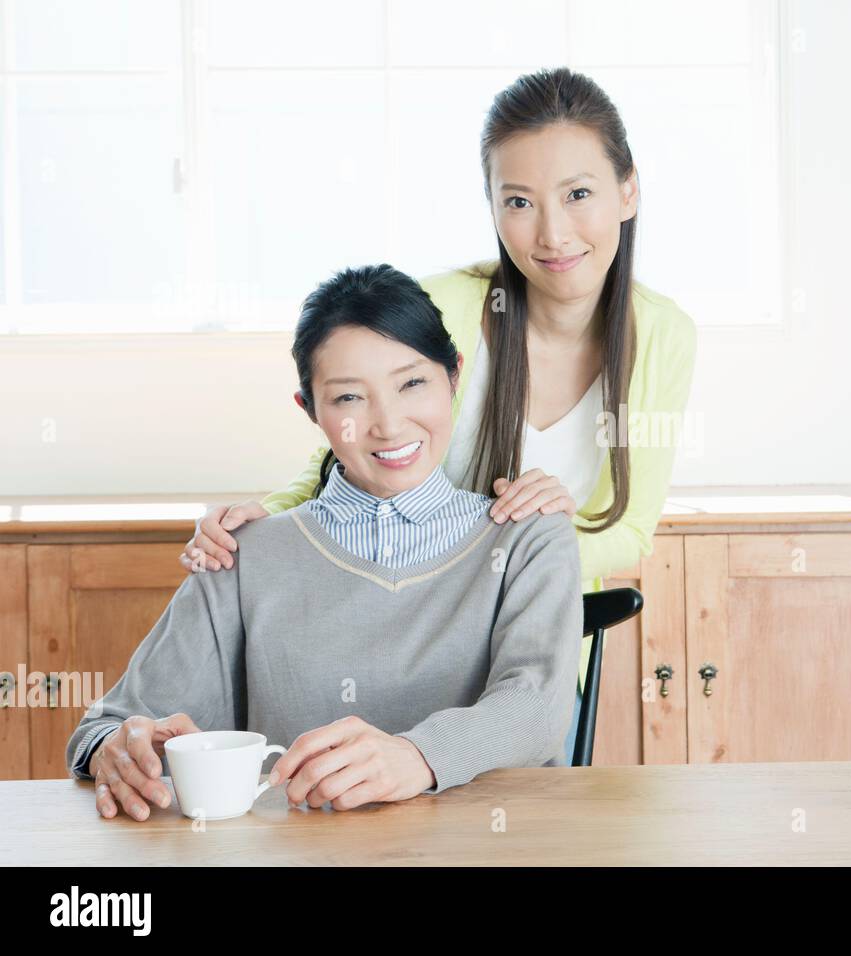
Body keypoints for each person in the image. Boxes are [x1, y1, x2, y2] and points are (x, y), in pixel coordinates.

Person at [178, 68, 698, 761]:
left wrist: (519, 557)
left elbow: (630, 532)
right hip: (384, 636)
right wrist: (252, 526)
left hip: (524, 661)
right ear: (491, 206)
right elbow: (348, 449)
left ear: (628, 190)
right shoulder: (448, 304)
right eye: (518, 201)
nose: (553, 232)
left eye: (579, 194)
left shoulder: (662, 334)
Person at [67, 264, 582, 820]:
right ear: (309, 408)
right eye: (348, 399)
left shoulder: (530, 534)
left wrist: (416, 756)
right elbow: (109, 724)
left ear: (453, 376)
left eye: (412, 383)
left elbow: (538, 706)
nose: (387, 425)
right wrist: (117, 749)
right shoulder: (241, 555)